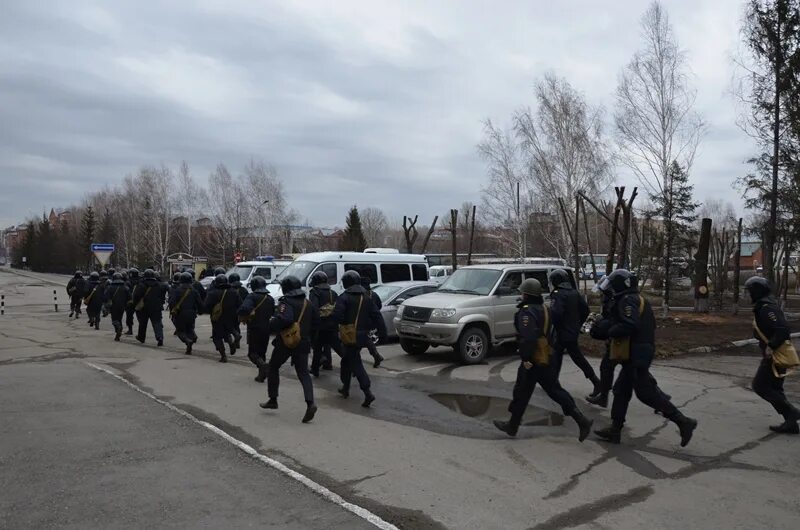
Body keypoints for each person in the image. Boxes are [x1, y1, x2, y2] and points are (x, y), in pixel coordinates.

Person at [590, 269, 697, 446]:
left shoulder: (627, 300)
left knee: (645, 393)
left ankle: (684, 422)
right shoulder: (633, 299)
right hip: (636, 352)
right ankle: (615, 430)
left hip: (637, 354)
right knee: (621, 391)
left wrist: (609, 330)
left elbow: (629, 325)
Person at [494, 278, 593, 441]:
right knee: (532, 390)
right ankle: (513, 425)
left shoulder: (527, 311)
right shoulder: (544, 308)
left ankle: (582, 421)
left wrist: (526, 358)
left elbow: (529, 337)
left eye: (522, 293)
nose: (521, 295)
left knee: (530, 391)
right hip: (546, 356)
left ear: (526, 294)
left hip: (534, 359)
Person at [587, 276, 672, 412]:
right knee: (615, 373)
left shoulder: (622, 300)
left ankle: (665, 403)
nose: (602, 295)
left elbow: (622, 322)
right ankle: (606, 401)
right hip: (623, 343)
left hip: (628, 344)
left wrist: (606, 330)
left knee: (637, 381)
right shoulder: (619, 298)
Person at [259, 276, 319, 423]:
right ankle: (310, 403)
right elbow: (316, 323)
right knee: (304, 373)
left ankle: (273, 399)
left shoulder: (285, 302)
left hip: (285, 343)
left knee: (273, 367)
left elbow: (285, 319)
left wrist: (271, 325)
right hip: (303, 342)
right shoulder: (308, 303)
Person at [745, 276, 800, 434]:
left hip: (776, 354)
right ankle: (791, 423)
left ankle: (792, 412)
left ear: (757, 291)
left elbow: (782, 329)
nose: (748, 295)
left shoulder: (767, 308)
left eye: (750, 291)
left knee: (760, 386)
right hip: (778, 354)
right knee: (775, 387)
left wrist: (771, 345)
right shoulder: (765, 306)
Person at [333, 270, 386, 407]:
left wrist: (338, 326)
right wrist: (381, 332)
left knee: (355, 363)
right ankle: (345, 387)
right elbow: (377, 315)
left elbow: (337, 316)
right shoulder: (366, 297)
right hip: (362, 335)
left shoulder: (344, 297)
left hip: (349, 335)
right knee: (346, 360)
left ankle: (368, 392)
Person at [548, 269, 601, 396]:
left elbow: (556, 314)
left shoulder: (558, 294)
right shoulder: (573, 292)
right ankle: (553, 383)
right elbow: (585, 310)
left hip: (562, 332)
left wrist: (555, 324)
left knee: (566, 357)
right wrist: (577, 325)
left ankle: (596, 382)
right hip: (571, 332)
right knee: (563, 356)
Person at [238, 276, 275, 382]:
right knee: (262, 352)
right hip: (267, 328)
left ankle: (263, 366)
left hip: (254, 328)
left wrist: (243, 313)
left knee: (252, 353)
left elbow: (244, 308)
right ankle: (261, 375)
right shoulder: (270, 298)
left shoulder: (252, 296)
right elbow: (272, 312)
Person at [204, 274, 241, 362]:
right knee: (227, 331)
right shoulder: (234, 292)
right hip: (231, 316)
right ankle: (234, 336)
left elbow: (206, 306)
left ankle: (223, 356)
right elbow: (240, 304)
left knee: (217, 337)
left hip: (218, 317)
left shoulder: (212, 293)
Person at [309, 271, 340, 376]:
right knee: (332, 345)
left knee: (317, 347)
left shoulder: (315, 292)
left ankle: (315, 369)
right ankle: (330, 364)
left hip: (320, 325)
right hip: (332, 324)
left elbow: (313, 309)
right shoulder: (333, 293)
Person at [131, 269, 168, 346]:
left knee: (143, 323)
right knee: (157, 323)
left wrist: (135, 305)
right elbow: (162, 295)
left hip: (144, 307)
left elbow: (136, 296)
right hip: (156, 307)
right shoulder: (159, 284)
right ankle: (159, 337)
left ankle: (141, 337)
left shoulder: (141, 284)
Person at [169, 272, 203, 355]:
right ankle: (192, 338)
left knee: (180, 331)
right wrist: (201, 311)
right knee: (190, 328)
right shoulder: (194, 291)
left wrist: (172, 311)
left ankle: (188, 341)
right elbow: (199, 302)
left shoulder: (177, 290)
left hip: (180, 313)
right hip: (192, 313)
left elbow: (172, 302)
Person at [360, 276, 385, 368]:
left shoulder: (361, 294)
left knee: (356, 343)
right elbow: (379, 306)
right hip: (370, 322)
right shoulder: (373, 294)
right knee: (366, 339)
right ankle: (376, 356)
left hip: (361, 321)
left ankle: (354, 366)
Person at [104, 273, 130, 341]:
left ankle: (118, 328)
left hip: (113, 306)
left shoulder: (110, 287)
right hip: (122, 306)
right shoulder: (125, 287)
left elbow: (106, 296)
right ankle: (118, 333)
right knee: (119, 318)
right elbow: (129, 297)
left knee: (114, 319)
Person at [229, 272, 249, 350]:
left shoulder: (229, 290)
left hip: (231, 311)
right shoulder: (243, 289)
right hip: (240, 312)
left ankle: (235, 337)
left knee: (229, 325)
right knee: (236, 326)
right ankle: (237, 343)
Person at [124, 268, 140, 335]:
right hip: (138, 301)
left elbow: (126, 291)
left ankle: (130, 330)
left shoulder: (128, 282)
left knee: (129, 316)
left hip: (130, 301)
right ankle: (141, 330)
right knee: (140, 316)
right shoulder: (140, 281)